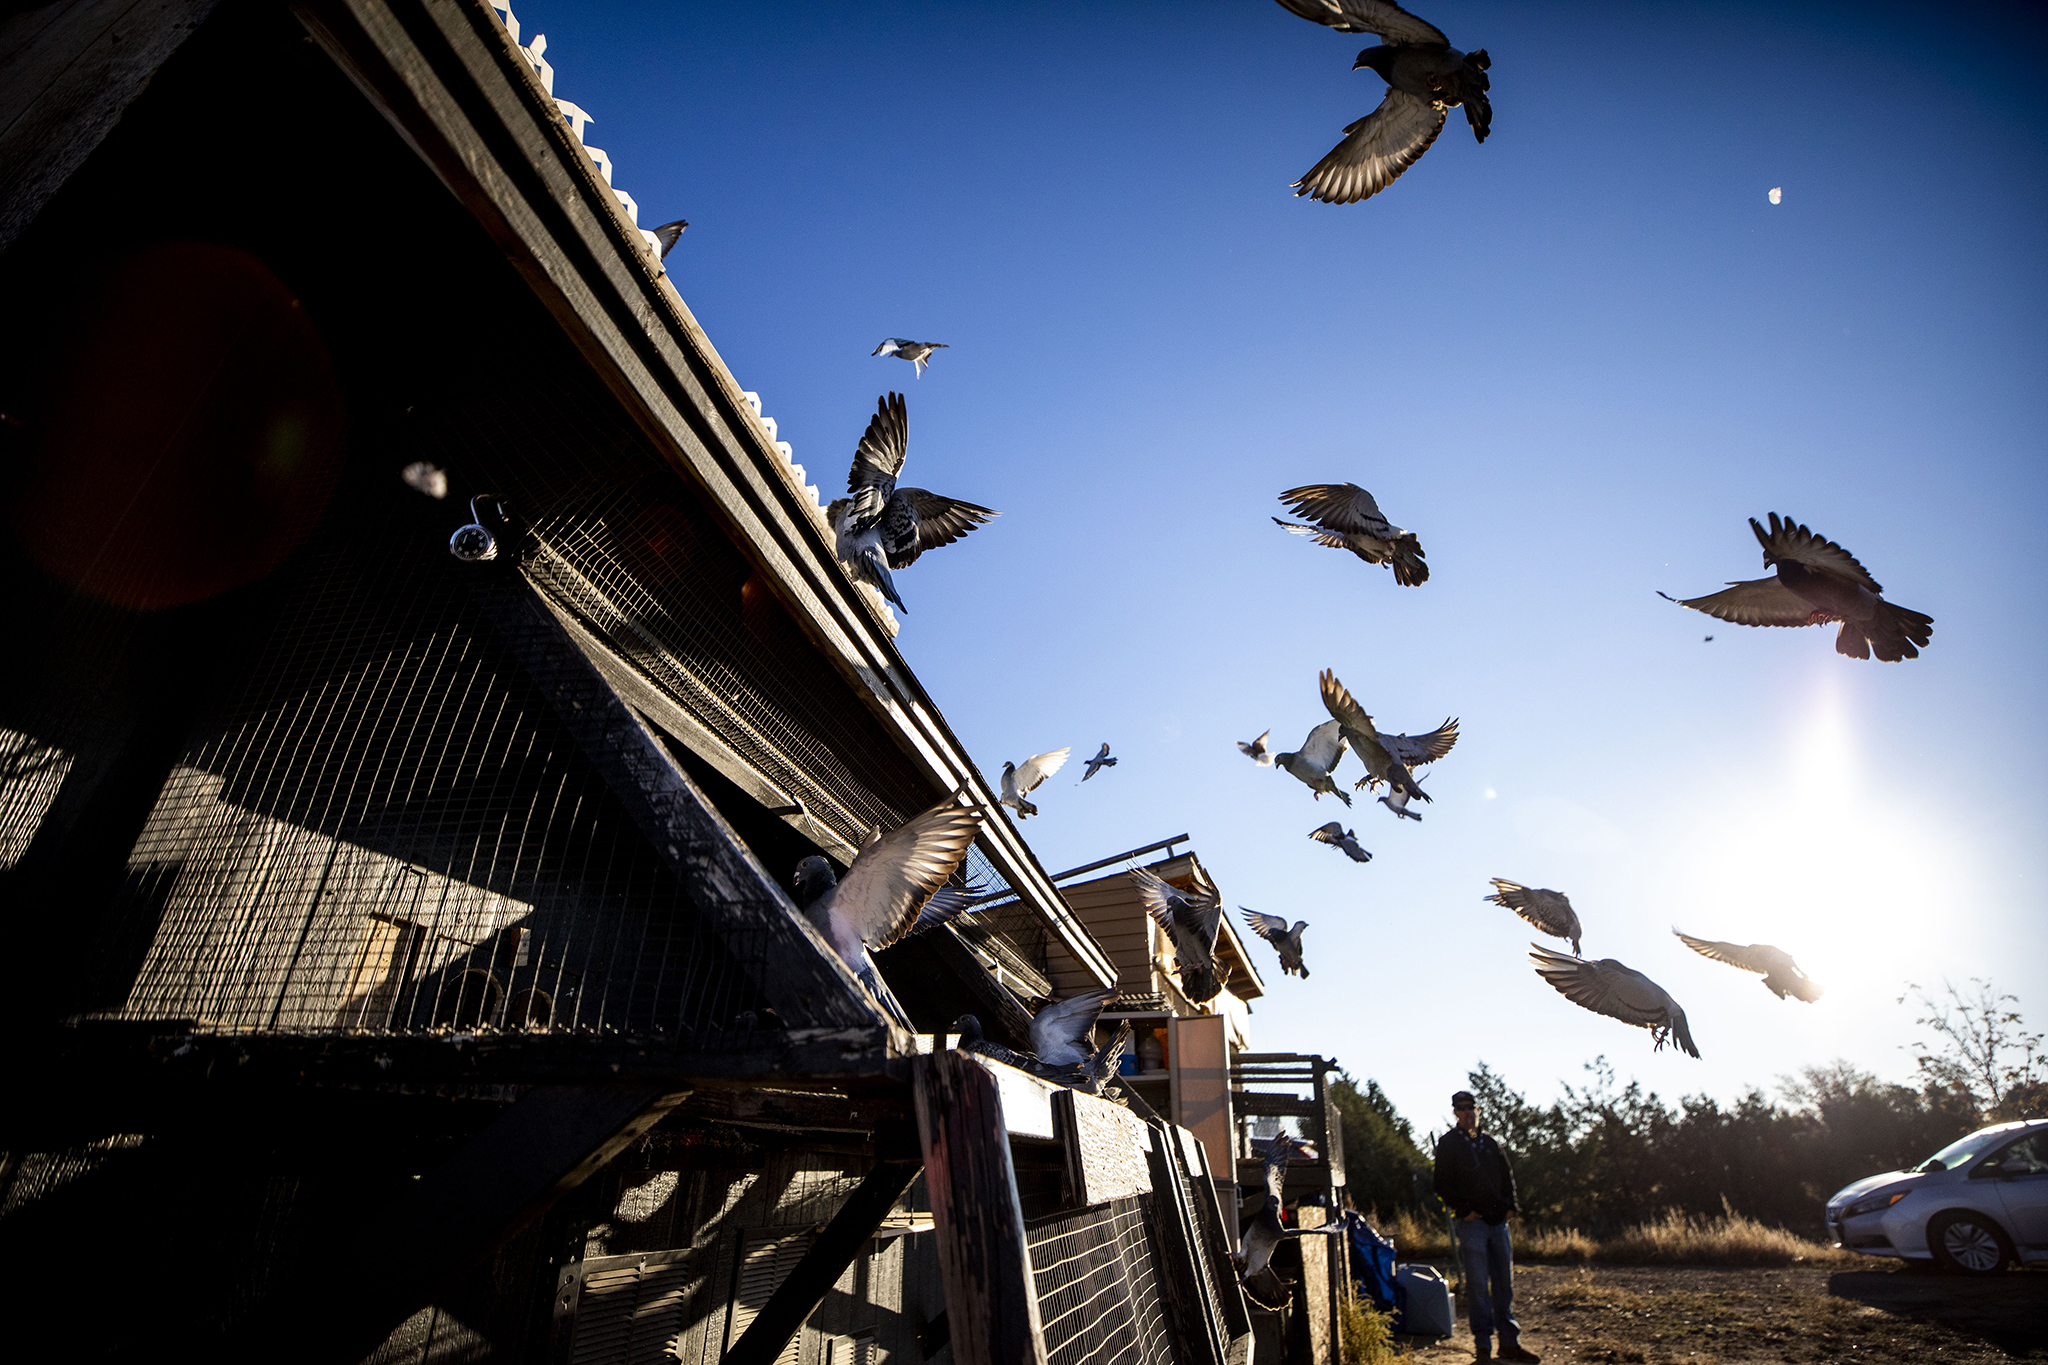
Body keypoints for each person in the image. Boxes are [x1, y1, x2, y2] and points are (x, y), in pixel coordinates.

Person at [1433, 1090, 1539, 1363]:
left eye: (1472, 1107)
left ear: (1478, 1110)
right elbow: (1441, 1184)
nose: (1468, 1112)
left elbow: (1507, 1175)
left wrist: (1511, 1205)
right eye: (1462, 1108)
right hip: (1473, 1225)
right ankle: (1483, 1348)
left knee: (1504, 1284)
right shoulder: (1448, 1144)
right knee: (1479, 1287)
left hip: (1498, 1224)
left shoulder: (1490, 1144)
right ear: (1455, 1112)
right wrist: (1463, 1209)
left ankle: (1509, 1344)